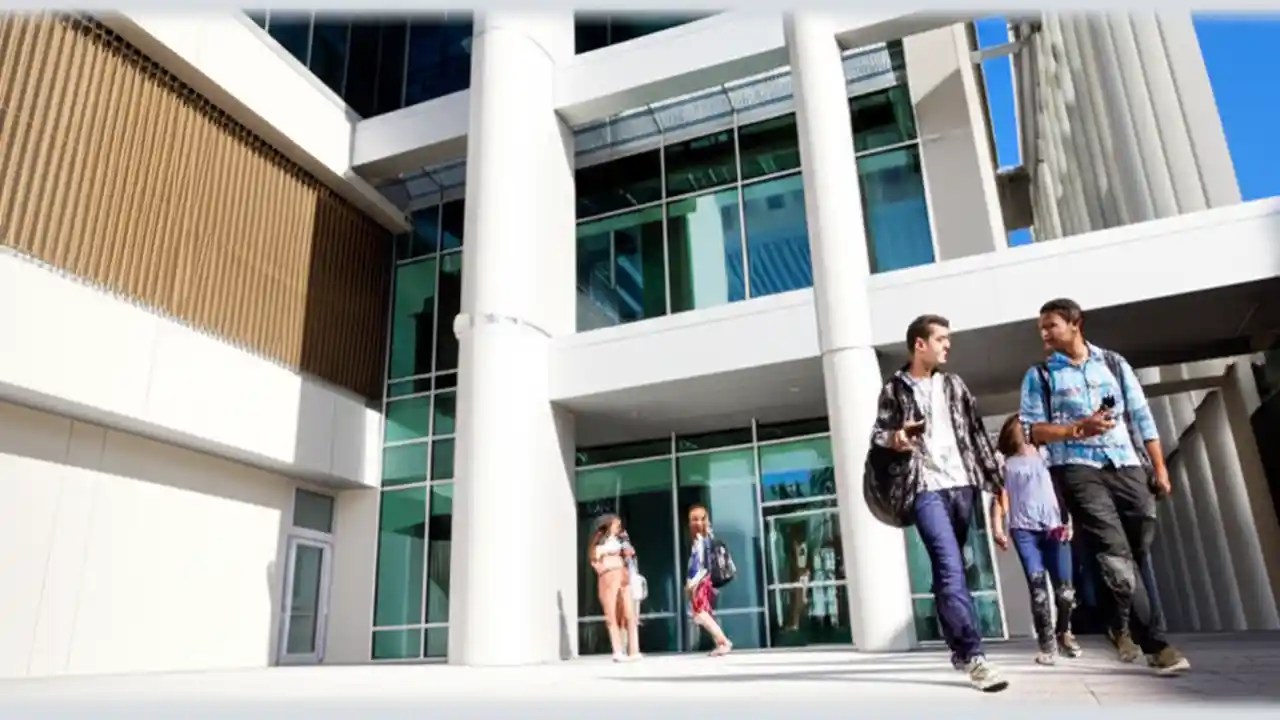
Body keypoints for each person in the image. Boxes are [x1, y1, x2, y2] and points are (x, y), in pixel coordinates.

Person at [1017, 298, 1189, 675]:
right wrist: (1078, 428)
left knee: (1137, 551)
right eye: (1041, 328)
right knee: (1114, 552)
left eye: (1051, 326)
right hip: (1077, 469)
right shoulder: (1040, 376)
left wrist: (1159, 466)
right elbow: (1033, 431)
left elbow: (1141, 416)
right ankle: (1156, 645)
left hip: (1126, 464)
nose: (1044, 333)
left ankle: (1118, 622)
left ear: (1076, 323)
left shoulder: (1113, 363)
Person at [864, 314, 1008, 693]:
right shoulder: (895, 388)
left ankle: (957, 649)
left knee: (953, 567)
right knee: (949, 565)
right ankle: (975, 657)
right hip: (924, 487)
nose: (947, 346)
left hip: (962, 486)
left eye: (948, 340)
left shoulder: (955, 385)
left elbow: (976, 433)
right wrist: (899, 436)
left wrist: (997, 481)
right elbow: (878, 435)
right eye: (941, 339)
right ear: (919, 344)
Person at [991, 414, 1082, 665]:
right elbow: (1000, 499)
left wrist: (1069, 520)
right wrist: (997, 527)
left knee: (1065, 592)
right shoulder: (1004, 464)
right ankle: (1047, 643)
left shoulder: (1048, 456)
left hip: (1055, 527)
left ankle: (1064, 632)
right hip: (1024, 530)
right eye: (1022, 425)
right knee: (1038, 589)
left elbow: (1064, 490)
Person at [588, 514, 641, 662]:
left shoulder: (621, 541)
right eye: (616, 524)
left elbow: (630, 555)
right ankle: (618, 650)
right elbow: (594, 561)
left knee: (628, 612)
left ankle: (633, 649)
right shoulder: (600, 544)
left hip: (622, 575)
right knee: (611, 614)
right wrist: (603, 569)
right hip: (608, 577)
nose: (619, 527)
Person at [686, 504, 733, 657]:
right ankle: (720, 642)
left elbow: (701, 565)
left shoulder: (701, 541)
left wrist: (692, 584)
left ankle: (723, 641)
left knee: (701, 613)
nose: (696, 523)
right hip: (702, 581)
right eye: (693, 519)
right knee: (701, 613)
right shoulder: (705, 539)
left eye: (699, 519)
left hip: (699, 581)